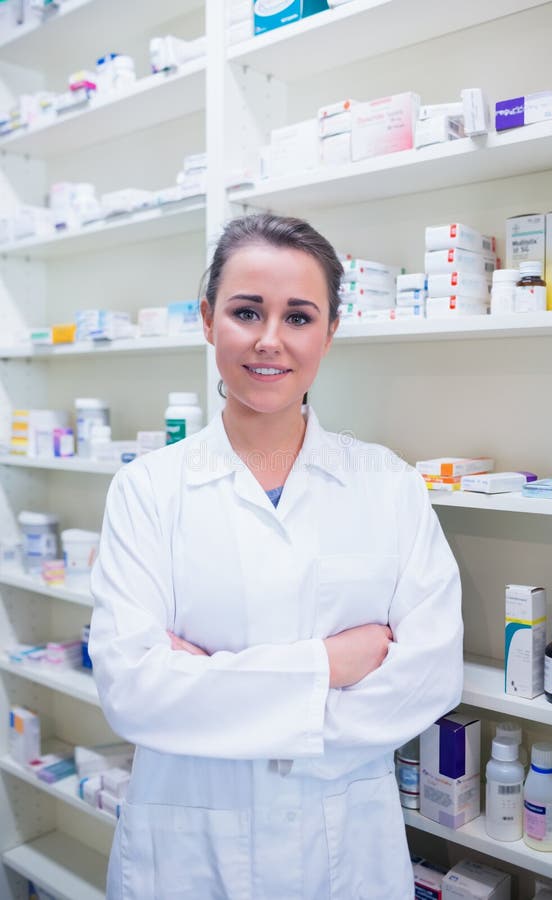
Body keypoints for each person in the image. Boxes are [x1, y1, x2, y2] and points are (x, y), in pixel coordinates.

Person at [89, 213, 463, 900]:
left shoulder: (390, 486)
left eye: (298, 316)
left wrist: (213, 687)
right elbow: (134, 691)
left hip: (345, 847)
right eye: (245, 312)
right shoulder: (146, 491)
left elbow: (428, 678)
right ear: (207, 321)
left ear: (330, 331)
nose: (269, 340)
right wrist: (328, 665)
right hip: (187, 856)